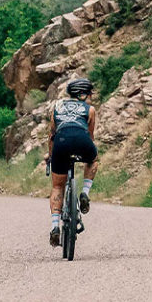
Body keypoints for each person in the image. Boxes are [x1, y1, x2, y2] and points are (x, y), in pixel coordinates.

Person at [45, 77, 98, 247]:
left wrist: (50, 155)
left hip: (60, 142)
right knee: (93, 160)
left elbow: (51, 135)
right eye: (89, 93)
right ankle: (84, 193)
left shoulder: (57, 107)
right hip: (82, 141)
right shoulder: (90, 110)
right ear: (83, 95)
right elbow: (90, 136)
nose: (91, 96)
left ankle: (55, 227)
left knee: (57, 186)